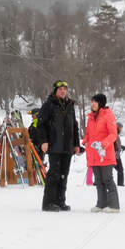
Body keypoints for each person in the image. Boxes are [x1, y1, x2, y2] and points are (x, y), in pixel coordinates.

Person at [35, 80, 81, 212]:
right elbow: (41, 124)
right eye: (60, 89)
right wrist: (43, 141)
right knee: (54, 174)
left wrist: (76, 144)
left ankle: (60, 201)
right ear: (55, 90)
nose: (63, 91)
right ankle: (48, 203)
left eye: (65, 89)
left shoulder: (70, 105)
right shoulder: (49, 105)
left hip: (67, 146)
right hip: (54, 144)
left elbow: (74, 126)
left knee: (63, 174)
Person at [84, 94, 121, 213]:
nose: (93, 104)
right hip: (93, 153)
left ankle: (114, 205)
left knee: (107, 179)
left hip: (105, 153)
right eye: (92, 101)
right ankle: (101, 204)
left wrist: (103, 144)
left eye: (96, 101)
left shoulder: (108, 115)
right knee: (98, 180)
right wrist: (85, 140)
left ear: (101, 103)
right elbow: (89, 133)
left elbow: (113, 134)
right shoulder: (90, 117)